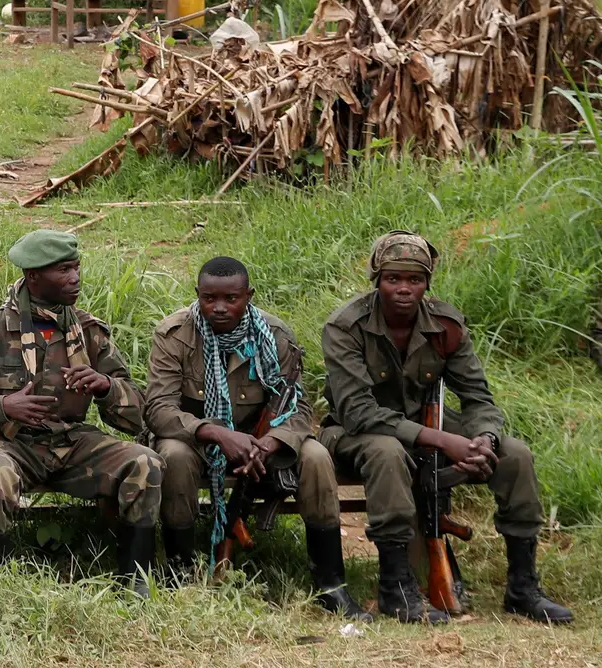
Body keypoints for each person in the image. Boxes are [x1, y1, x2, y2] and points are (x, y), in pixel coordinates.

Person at [320, 231, 573, 625]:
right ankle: (396, 587)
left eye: (414, 280)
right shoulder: (345, 326)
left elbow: (478, 397)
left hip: (429, 422)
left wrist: (483, 440)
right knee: (387, 452)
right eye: (393, 279)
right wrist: (445, 441)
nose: (404, 289)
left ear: (427, 283)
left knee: (516, 455)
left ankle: (523, 587)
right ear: (376, 280)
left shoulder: (445, 325)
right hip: (356, 431)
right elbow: (357, 411)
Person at [0, 230, 162, 595]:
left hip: (73, 442)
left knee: (145, 462)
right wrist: (3, 406)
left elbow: (137, 412)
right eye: (63, 270)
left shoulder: (88, 330)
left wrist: (105, 386)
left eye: (76, 268)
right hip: (12, 443)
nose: (75, 278)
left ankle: (136, 579)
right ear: (34, 277)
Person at [146, 256, 365, 617]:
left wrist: (272, 441)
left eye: (231, 299)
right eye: (208, 298)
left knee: (316, 457)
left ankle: (330, 584)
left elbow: (298, 408)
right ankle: (180, 572)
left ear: (248, 295)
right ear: (197, 295)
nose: (219, 308)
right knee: (173, 453)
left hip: (263, 441)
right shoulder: (175, 334)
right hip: (199, 440)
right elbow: (159, 409)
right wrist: (216, 433)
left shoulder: (274, 335)